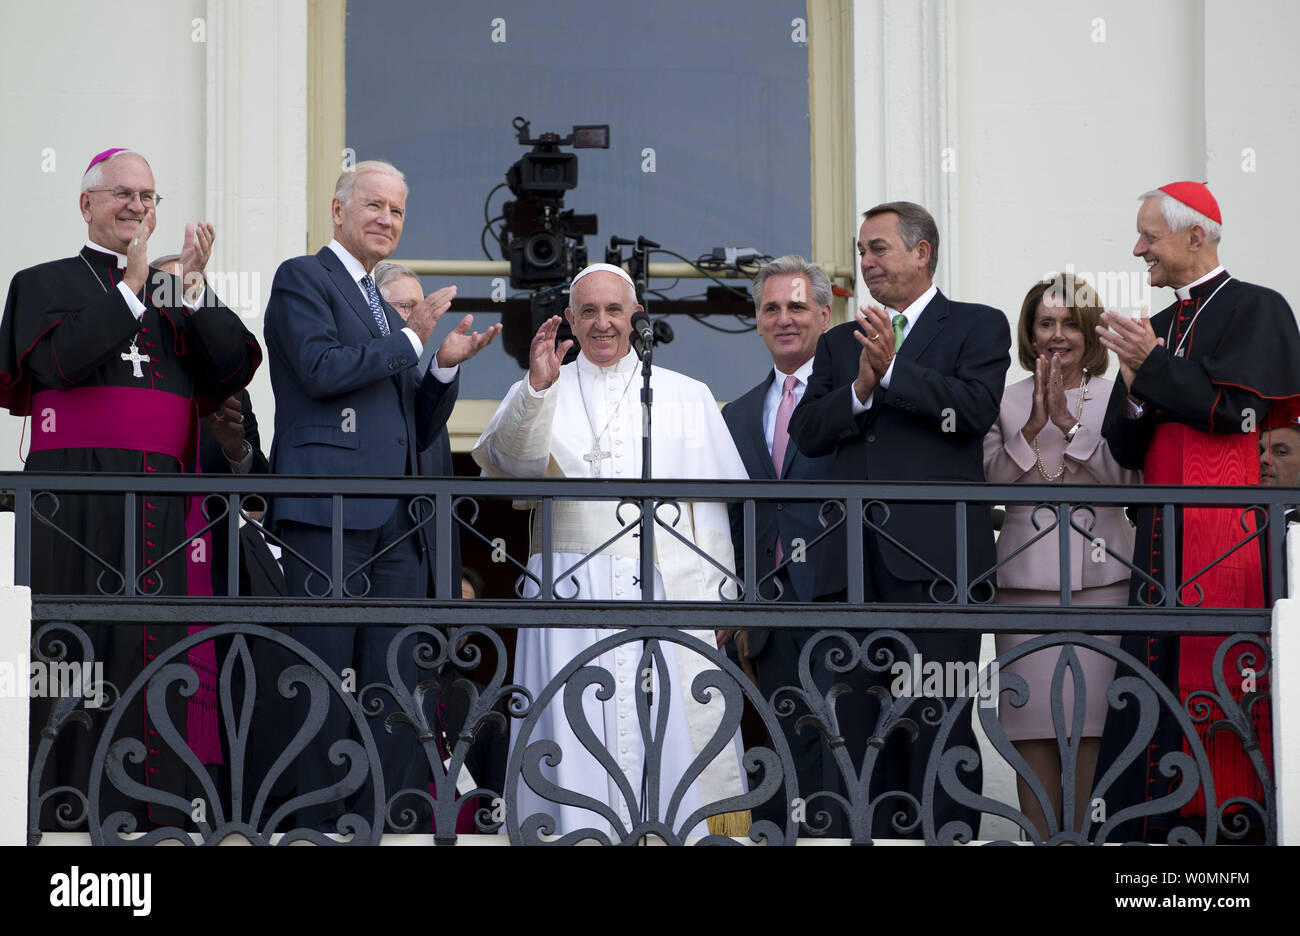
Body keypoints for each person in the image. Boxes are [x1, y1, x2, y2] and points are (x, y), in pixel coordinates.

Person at [0, 148, 262, 828]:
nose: (137, 207)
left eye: (148, 196)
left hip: (162, 500)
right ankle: (60, 812)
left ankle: (156, 815)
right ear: (86, 205)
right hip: (74, 500)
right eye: (122, 194)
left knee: (155, 655)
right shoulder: (43, 282)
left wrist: (195, 288)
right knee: (71, 652)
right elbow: (64, 361)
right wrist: (130, 288)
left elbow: (231, 367)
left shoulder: (175, 290)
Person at [472, 262, 748, 839]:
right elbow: (512, 466)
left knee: (668, 732)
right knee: (569, 735)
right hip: (569, 592)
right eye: (588, 312)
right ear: (570, 320)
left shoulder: (685, 395)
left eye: (614, 310)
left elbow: (712, 511)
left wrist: (723, 601)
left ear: (635, 317)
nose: (602, 324)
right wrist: (537, 388)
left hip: (663, 590)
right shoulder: (542, 386)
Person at [263, 160, 499, 831]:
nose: (386, 220)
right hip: (327, 513)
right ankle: (314, 825)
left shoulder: (377, 299)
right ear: (337, 211)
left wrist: (442, 368)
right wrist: (409, 337)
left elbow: (410, 429)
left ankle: (386, 823)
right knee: (319, 680)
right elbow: (320, 370)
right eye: (373, 206)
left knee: (396, 686)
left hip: (396, 526)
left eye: (396, 210)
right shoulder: (302, 279)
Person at [789, 201, 1011, 840]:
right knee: (857, 729)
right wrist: (858, 390)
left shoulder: (976, 325)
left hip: (941, 569)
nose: (866, 262)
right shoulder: (839, 342)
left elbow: (971, 413)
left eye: (878, 248)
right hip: (853, 568)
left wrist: (894, 373)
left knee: (938, 720)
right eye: (862, 250)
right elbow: (808, 431)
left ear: (922, 252)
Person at [1096, 181, 1300, 841]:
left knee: (1225, 679)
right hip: (1160, 545)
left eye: (1148, 237)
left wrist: (1153, 368)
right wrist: (1133, 385)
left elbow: (1234, 413)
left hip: (1227, 542)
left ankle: (1229, 827)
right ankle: (1151, 829)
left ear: (1195, 236)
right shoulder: (1151, 330)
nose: (1137, 249)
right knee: (1152, 690)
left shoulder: (1257, 308)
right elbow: (1123, 444)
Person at [982, 273, 1139, 839]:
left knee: (1095, 730)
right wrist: (1028, 429)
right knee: (1032, 732)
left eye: (1070, 323)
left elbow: (1127, 481)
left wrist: (1070, 425)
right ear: (1029, 332)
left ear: (1088, 330)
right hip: (1023, 588)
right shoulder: (1006, 398)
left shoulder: (1114, 391)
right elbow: (991, 484)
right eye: (1045, 323)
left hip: (1104, 585)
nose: (1057, 335)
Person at [720, 255, 835, 828]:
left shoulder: (853, 398)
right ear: (758, 320)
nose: (784, 319)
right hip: (770, 613)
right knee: (786, 756)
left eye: (796, 306)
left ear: (824, 312)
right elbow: (735, 520)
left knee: (846, 760)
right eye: (771, 309)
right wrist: (740, 604)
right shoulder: (737, 414)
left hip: (845, 603)